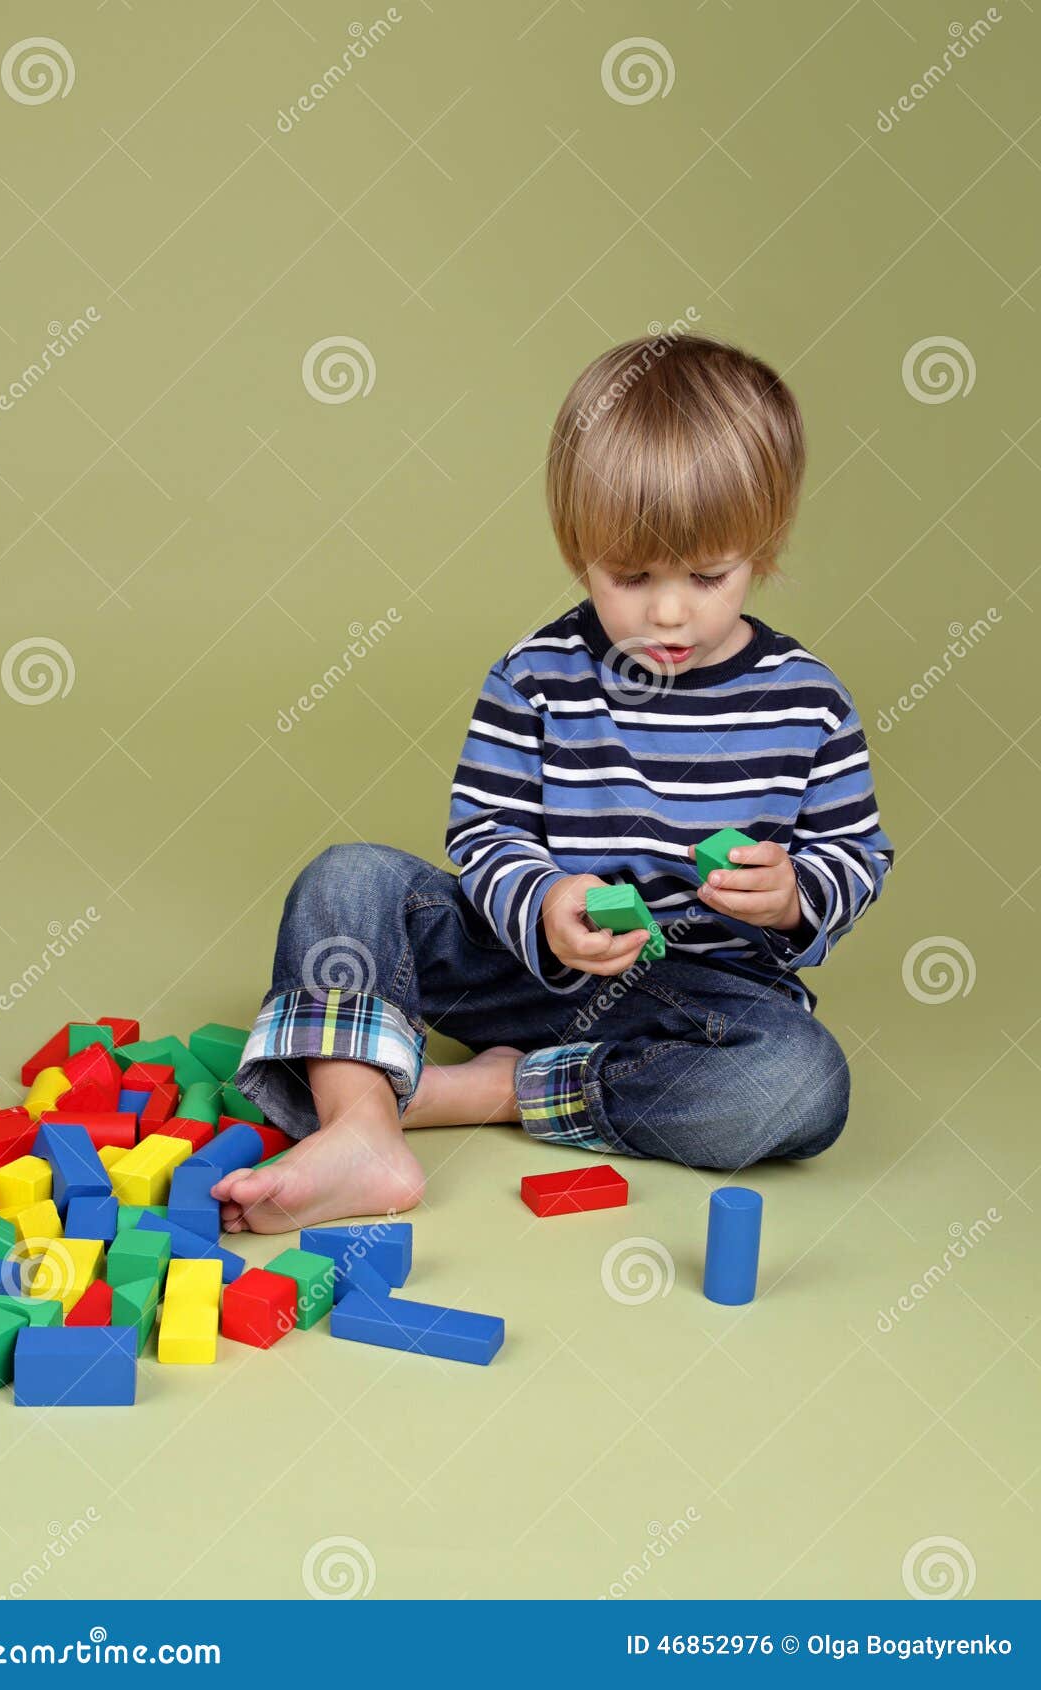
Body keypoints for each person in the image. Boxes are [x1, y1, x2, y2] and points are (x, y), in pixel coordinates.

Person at [212, 332, 893, 1234]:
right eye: (631, 575)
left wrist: (794, 894)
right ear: (580, 553)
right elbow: (485, 834)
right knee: (350, 879)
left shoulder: (808, 700)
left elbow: (857, 854)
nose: (669, 610)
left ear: (761, 549)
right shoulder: (536, 676)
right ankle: (360, 1128)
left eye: (707, 574)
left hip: (696, 1006)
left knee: (798, 1083)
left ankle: (488, 1090)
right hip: (523, 971)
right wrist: (544, 901)